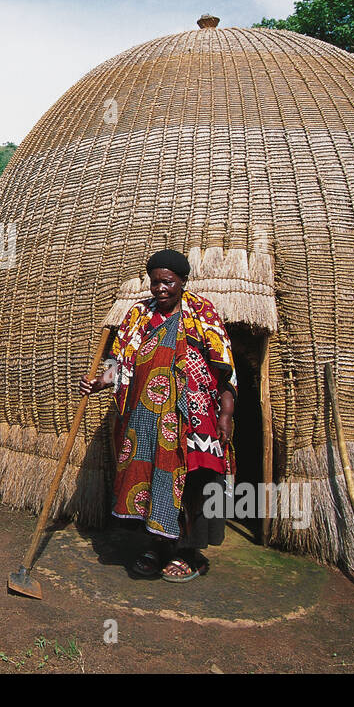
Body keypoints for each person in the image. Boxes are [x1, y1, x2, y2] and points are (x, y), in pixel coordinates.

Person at [79, 249, 237, 582]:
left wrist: (225, 414)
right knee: (147, 478)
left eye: (167, 282)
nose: (160, 289)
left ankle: (188, 553)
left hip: (193, 420)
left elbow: (225, 369)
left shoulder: (202, 314)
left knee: (192, 481)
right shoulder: (139, 315)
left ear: (182, 281)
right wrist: (98, 382)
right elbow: (119, 363)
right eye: (155, 283)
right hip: (146, 421)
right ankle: (155, 546)